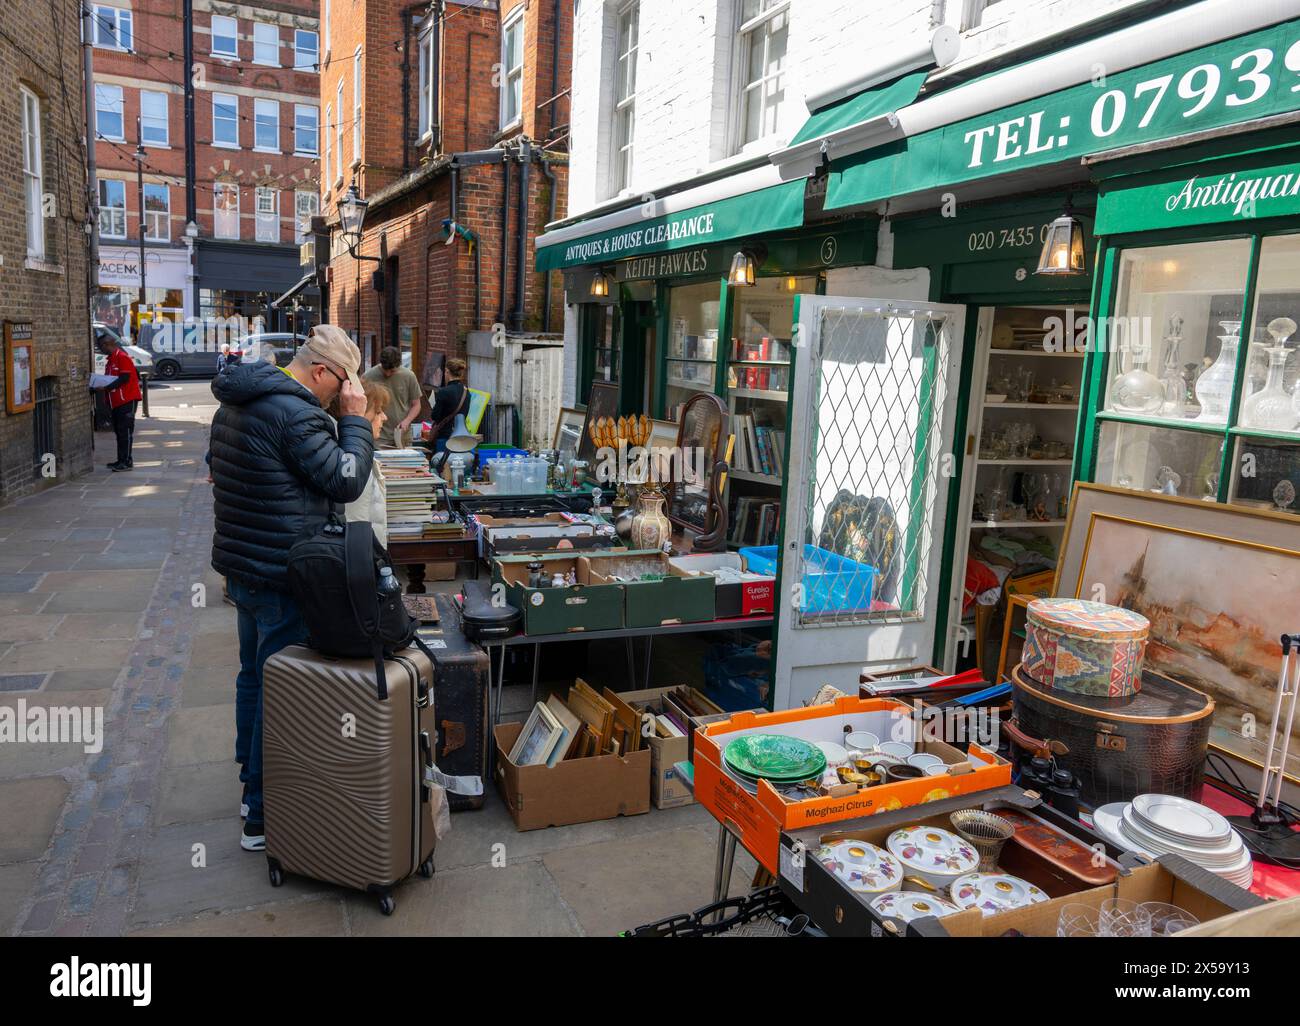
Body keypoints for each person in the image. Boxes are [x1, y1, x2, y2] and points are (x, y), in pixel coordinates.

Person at [209, 324, 374, 852]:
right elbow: (347, 480)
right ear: (321, 371)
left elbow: (221, 470)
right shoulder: (298, 413)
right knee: (282, 692)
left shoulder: (239, 400)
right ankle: (261, 816)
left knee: (253, 677)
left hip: (245, 567)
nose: (339, 397)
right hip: (284, 573)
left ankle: (246, 786)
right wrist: (355, 423)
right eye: (341, 386)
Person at [346, 380, 391, 546]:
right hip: (360, 554)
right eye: (378, 412)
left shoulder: (359, 453)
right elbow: (356, 516)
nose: (384, 418)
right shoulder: (353, 457)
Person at [93, 331, 143, 472]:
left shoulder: (122, 357)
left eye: (100, 346)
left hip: (126, 400)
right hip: (116, 402)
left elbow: (124, 378)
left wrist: (106, 387)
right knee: (119, 432)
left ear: (108, 344)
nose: (100, 349)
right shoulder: (110, 360)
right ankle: (121, 459)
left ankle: (126, 462)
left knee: (125, 432)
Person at [361, 346, 423, 448]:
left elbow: (416, 405)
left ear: (399, 365)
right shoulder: (368, 376)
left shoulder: (409, 376)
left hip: (402, 434)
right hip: (379, 436)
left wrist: (407, 421)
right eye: (385, 370)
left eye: (392, 371)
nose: (388, 374)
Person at [428, 357, 469, 456]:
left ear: (447, 371)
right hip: (461, 437)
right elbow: (465, 413)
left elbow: (435, 416)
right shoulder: (466, 391)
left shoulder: (444, 392)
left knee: (443, 466)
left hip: (445, 436)